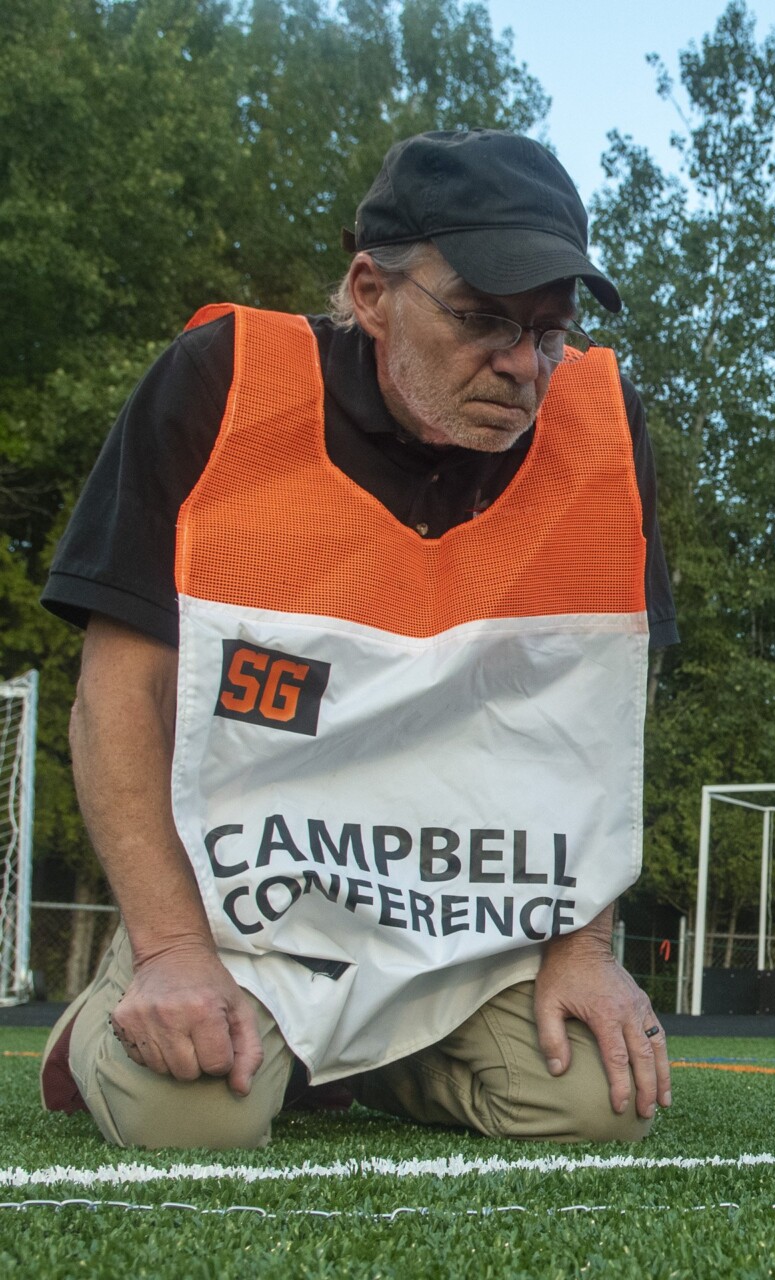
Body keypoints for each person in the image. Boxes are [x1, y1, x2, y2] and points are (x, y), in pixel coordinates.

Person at [38, 130, 679, 1150]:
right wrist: (169, 948)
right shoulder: (219, 388)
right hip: (250, 919)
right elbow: (116, 694)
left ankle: (360, 1062)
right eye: (481, 319)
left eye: (548, 331)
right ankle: (111, 1021)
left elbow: (599, 722)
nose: (523, 366)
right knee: (188, 1119)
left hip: (468, 929)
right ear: (371, 291)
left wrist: (582, 944)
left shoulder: (601, 436)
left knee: (598, 1099)